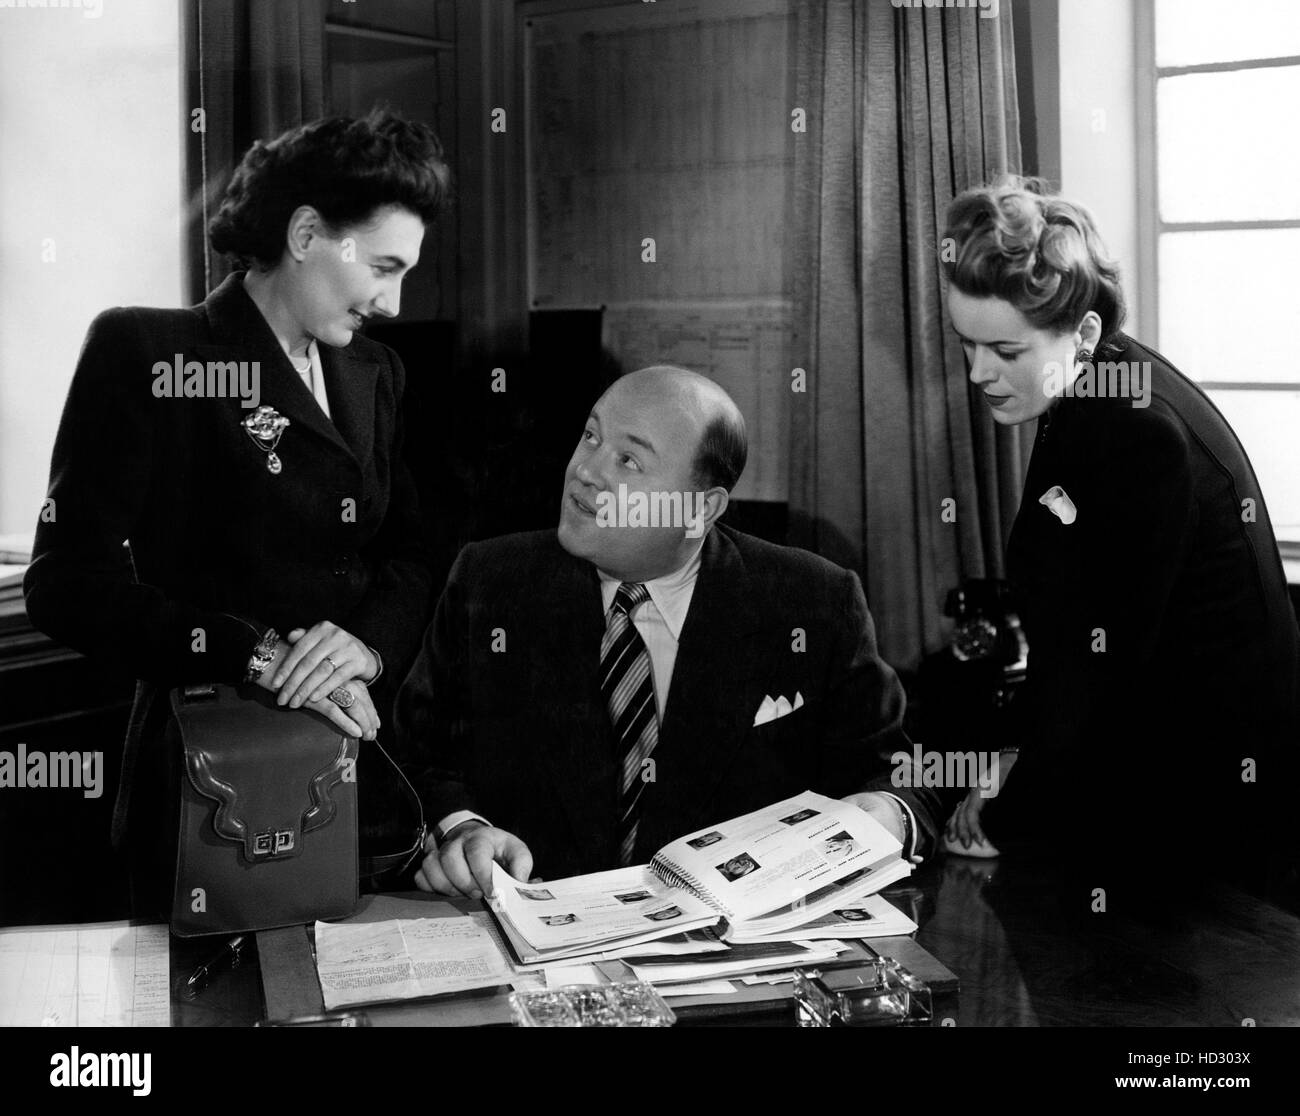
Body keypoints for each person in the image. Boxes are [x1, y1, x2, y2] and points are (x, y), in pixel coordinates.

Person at [24, 110, 450, 916]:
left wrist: (364, 646)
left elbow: (410, 558)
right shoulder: (148, 353)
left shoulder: (375, 372)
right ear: (306, 233)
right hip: (208, 785)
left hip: (358, 779)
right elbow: (63, 583)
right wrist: (249, 652)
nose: (394, 302)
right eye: (385, 268)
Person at [395, 365, 943, 898]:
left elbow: (896, 774)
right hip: (531, 942)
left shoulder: (814, 603)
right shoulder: (489, 583)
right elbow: (413, 758)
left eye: (629, 460)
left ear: (700, 510)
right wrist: (463, 830)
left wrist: (884, 813)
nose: (585, 471)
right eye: (590, 436)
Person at [937, 177, 1299, 904]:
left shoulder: (1136, 432)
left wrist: (1011, 806)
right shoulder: (1100, 386)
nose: (979, 373)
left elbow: (1104, 665)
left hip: (1205, 823)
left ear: (1087, 333)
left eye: (1005, 349)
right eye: (968, 345)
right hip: (1150, 775)